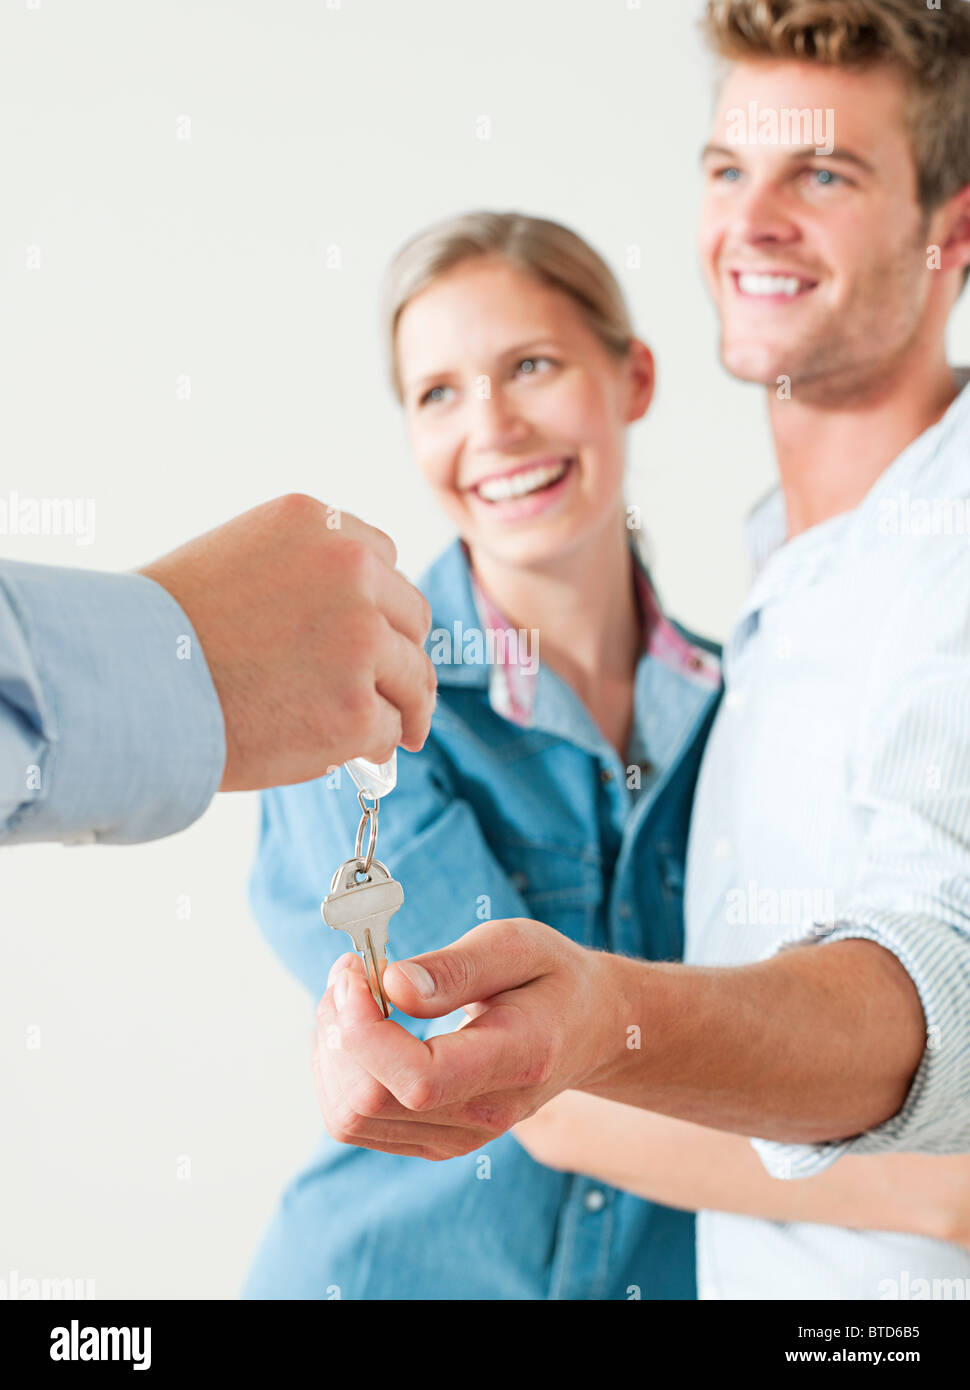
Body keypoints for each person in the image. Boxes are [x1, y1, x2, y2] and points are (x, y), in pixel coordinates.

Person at [316, 0, 970, 1300]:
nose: (754, 221)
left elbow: (935, 959)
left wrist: (601, 1018)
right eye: (730, 170)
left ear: (950, 231)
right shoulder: (771, 606)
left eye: (824, 174)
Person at [0, 495, 435, 844]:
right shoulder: (349, 691)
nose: (489, 426)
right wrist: (180, 653)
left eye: (509, 378)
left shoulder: (368, 674)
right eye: (435, 393)